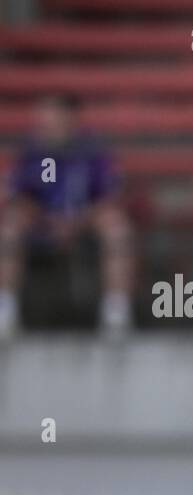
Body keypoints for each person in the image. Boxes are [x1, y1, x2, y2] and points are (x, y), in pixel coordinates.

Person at [0, 94, 133, 339]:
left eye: (52, 116)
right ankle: (5, 311)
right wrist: (49, 220)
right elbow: (18, 194)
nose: (46, 122)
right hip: (42, 221)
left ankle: (116, 313)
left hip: (84, 221)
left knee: (117, 228)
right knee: (8, 228)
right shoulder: (34, 152)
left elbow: (109, 194)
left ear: (70, 119)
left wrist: (76, 222)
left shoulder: (92, 151)